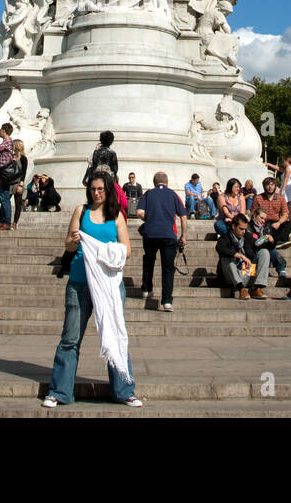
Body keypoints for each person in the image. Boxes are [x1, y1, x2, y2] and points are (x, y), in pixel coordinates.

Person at [43, 171, 140, 408]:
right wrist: (76, 241)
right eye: (93, 189)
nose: (96, 193)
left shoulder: (117, 215)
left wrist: (105, 250)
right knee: (70, 337)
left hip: (108, 284)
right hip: (79, 281)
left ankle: (123, 390)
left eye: (100, 189)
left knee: (115, 334)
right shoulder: (80, 211)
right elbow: (68, 244)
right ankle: (60, 391)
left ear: (108, 191)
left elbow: (127, 249)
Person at [137, 171, 187, 312]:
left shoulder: (148, 194)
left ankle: (146, 289)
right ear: (167, 182)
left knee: (149, 261)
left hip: (150, 233)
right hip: (168, 235)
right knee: (168, 268)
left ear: (154, 183)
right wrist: (183, 236)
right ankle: (166, 301)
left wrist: (150, 218)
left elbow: (139, 212)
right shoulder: (173, 194)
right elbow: (183, 216)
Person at [216, 213, 270, 299]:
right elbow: (220, 248)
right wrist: (240, 255)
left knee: (264, 252)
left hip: (246, 272)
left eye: (245, 229)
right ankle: (241, 289)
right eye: (241, 229)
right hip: (232, 277)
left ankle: (257, 288)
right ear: (234, 226)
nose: (243, 232)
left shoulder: (247, 236)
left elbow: (258, 244)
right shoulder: (225, 237)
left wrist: (270, 241)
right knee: (227, 258)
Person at [246, 206, 287, 282]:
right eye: (261, 218)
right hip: (250, 256)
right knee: (264, 251)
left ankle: (281, 269)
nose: (263, 221)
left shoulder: (266, 228)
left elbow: (269, 246)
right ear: (255, 215)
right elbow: (255, 243)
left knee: (271, 250)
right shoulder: (247, 227)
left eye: (265, 219)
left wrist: (272, 241)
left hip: (264, 255)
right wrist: (265, 238)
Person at [0, 122, 16, 230]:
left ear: (4, 131)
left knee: (5, 198)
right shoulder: (6, 143)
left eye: (0, 130)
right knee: (2, 198)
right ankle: (2, 221)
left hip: (5, 173)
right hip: (1, 172)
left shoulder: (7, 141)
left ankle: (6, 222)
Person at [8, 139, 30, 230]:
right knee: (6, 202)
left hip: (18, 183)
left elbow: (24, 172)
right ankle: (6, 221)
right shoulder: (10, 156)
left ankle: (15, 223)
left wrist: (21, 184)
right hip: (9, 183)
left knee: (18, 204)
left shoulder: (23, 158)